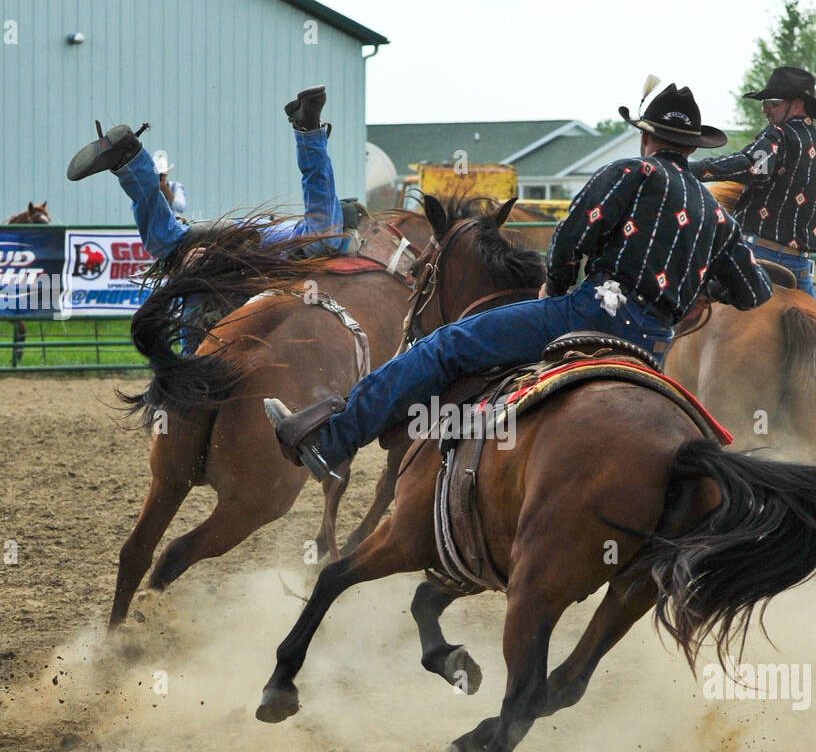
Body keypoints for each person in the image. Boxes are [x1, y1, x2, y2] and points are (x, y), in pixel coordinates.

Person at [266, 82, 773, 482]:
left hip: (589, 316)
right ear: (690, 147)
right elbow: (754, 291)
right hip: (650, 350)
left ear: (646, 137)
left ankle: (334, 441)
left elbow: (572, 236)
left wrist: (555, 286)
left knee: (447, 345)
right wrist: (694, 283)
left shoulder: (630, 174)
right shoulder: (718, 217)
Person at [66, 85, 352, 265]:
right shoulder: (319, 238)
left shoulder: (313, 233)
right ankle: (308, 130)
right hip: (265, 238)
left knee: (165, 242)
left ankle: (130, 160)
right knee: (322, 237)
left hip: (252, 236)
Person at [688, 65, 816, 299]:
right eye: (764, 102)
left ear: (798, 103)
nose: (765, 109)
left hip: (754, 256)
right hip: (800, 270)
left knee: (685, 301)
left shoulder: (778, 134)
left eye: (773, 102)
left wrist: (689, 168)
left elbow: (752, 166)